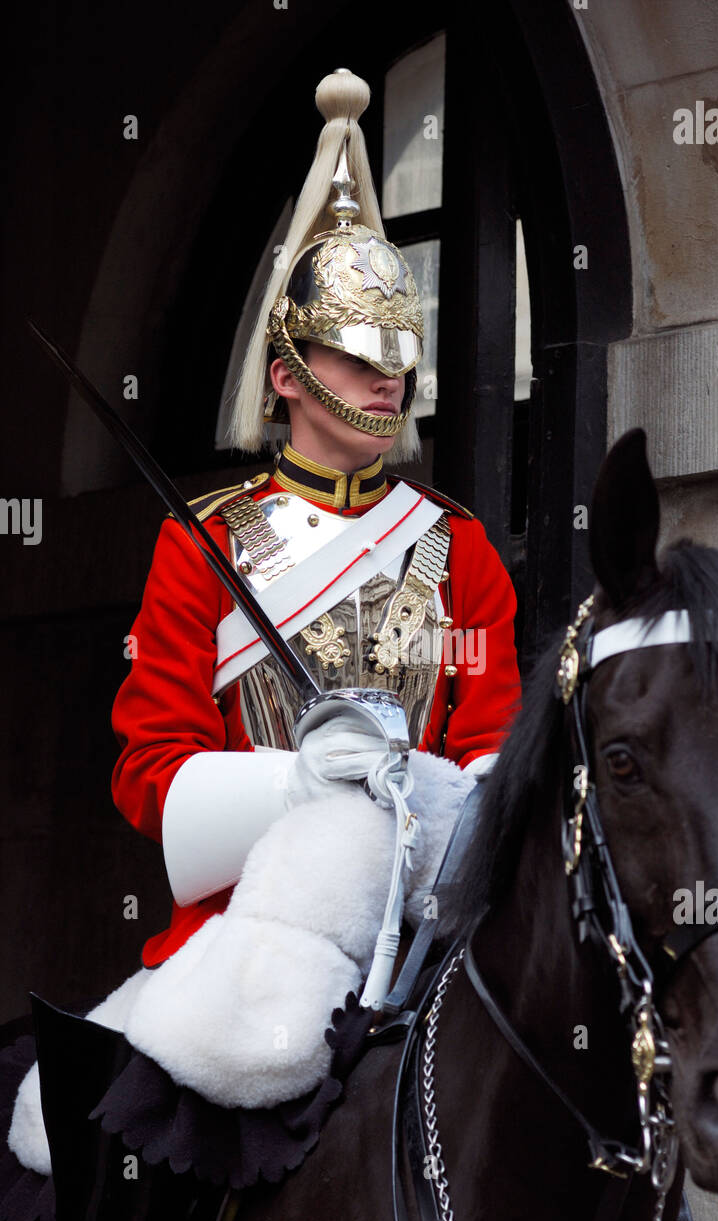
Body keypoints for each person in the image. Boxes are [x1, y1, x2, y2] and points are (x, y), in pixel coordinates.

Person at [110, 67, 522, 973]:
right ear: (286, 375)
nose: (390, 380)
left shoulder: (458, 550)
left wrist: (434, 799)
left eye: (400, 355)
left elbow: (495, 748)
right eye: (358, 354)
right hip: (241, 937)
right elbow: (151, 775)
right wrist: (293, 784)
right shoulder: (205, 544)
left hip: (422, 941)